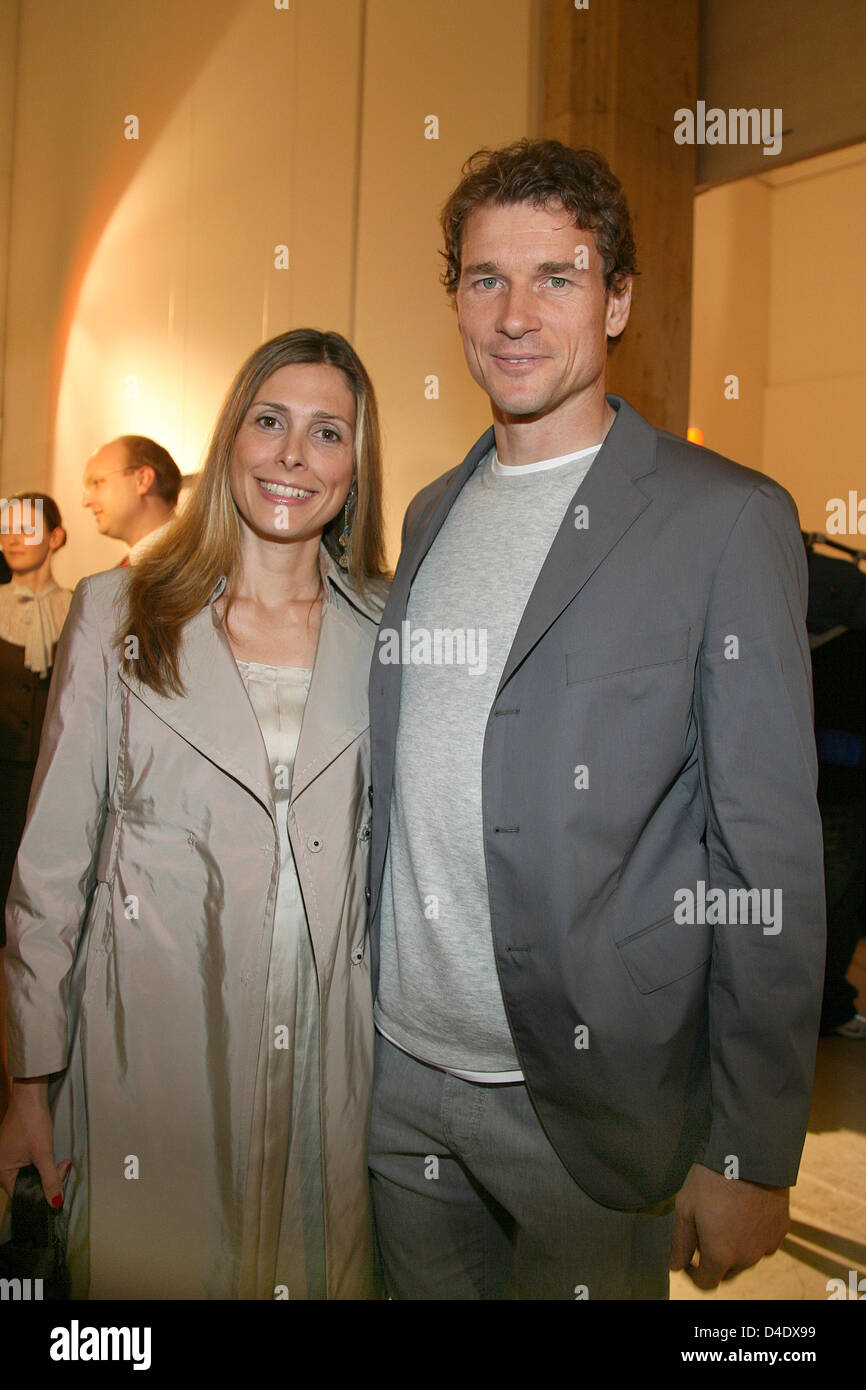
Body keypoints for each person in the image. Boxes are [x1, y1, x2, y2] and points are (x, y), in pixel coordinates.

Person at [367, 139, 826, 1300]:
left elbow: (763, 850)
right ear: (456, 300)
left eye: (557, 277)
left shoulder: (723, 521)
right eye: (484, 279)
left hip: (588, 1106)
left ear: (616, 298)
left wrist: (746, 1145)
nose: (514, 314)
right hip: (397, 1078)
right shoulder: (429, 511)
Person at [1, 329, 390, 1298]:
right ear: (228, 445)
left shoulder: (389, 637)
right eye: (269, 421)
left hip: (333, 1064)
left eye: (327, 432)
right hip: (152, 1052)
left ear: (356, 465)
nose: (293, 455)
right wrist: (26, 1078)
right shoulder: (118, 614)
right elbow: (52, 864)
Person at [0, 493, 72, 1118]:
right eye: (4, 529)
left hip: (52, 796)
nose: (13, 537)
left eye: (26, 525)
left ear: (56, 535)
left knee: (40, 933)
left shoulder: (85, 608)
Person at [82, 435, 182, 566]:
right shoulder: (118, 574)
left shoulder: (199, 565)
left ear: (142, 479)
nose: (85, 502)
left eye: (97, 482)